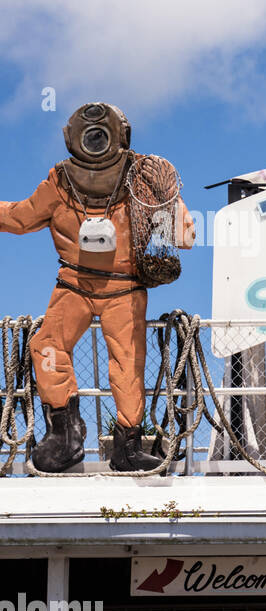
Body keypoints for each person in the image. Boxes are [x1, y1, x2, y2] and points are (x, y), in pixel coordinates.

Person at [0, 102, 195, 472]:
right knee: (50, 347)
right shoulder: (59, 182)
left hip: (122, 288)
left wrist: (168, 206)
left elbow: (19, 219)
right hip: (75, 285)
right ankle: (66, 434)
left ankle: (126, 445)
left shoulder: (144, 178)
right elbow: (21, 217)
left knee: (124, 362)